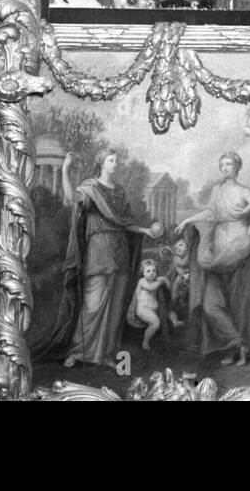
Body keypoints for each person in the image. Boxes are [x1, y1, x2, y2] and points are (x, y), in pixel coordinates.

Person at [39, 148, 163, 368]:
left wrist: (146, 231)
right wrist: (65, 171)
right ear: (101, 163)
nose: (115, 164)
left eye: (116, 160)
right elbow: (72, 201)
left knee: (116, 306)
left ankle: (106, 354)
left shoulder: (120, 192)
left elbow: (126, 222)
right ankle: (79, 351)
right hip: (98, 249)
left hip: (120, 250)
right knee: (92, 305)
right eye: (111, 160)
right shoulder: (91, 188)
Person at [178, 151, 250, 366]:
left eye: (230, 164)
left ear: (237, 167)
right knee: (211, 305)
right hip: (216, 249)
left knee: (238, 302)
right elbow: (209, 213)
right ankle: (235, 343)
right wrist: (188, 220)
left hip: (238, 250)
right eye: (223, 164)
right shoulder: (217, 191)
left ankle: (238, 349)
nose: (226, 168)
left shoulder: (243, 191)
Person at [127, 258, 171, 351]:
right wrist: (161, 281)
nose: (152, 273)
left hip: (153, 309)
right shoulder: (142, 281)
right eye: (148, 271)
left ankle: (160, 337)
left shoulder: (154, 280)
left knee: (166, 316)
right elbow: (151, 287)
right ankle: (145, 342)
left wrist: (165, 282)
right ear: (143, 273)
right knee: (155, 323)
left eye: (154, 270)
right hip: (143, 309)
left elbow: (166, 283)